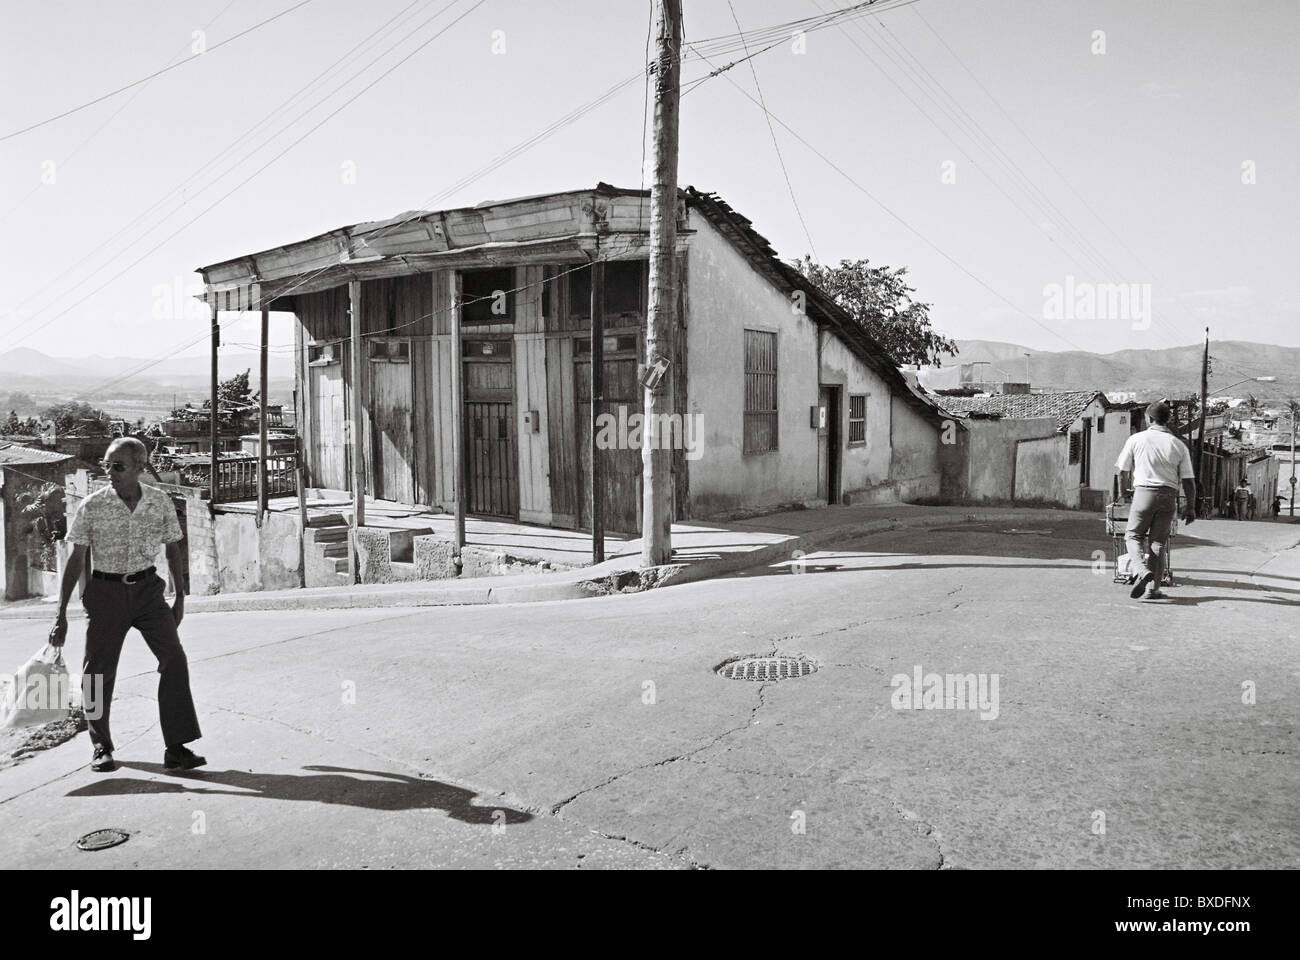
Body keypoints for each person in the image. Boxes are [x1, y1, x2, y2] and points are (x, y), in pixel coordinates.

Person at [49, 437, 205, 773]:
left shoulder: (160, 502)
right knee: (96, 674)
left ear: (139, 467)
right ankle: (100, 745)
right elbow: (77, 559)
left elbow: (173, 548)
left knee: (174, 660)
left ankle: (176, 747)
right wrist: (61, 613)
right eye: (106, 466)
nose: (110, 473)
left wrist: (180, 596)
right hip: (105, 594)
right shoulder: (92, 505)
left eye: (117, 466)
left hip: (148, 591)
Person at [1115, 401, 1196, 600]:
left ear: (1149, 419)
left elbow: (1121, 471)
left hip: (1144, 493)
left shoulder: (1136, 439)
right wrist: (1191, 507)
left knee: (1133, 536)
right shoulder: (1178, 445)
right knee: (1158, 543)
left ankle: (1141, 571)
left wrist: (1123, 492)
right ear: (1167, 420)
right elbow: (1189, 481)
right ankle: (1153, 589)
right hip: (1169, 496)